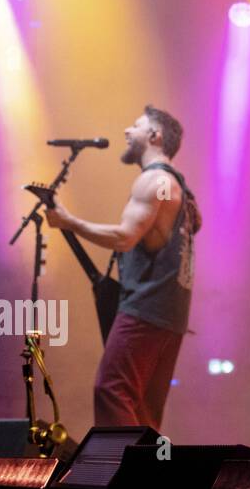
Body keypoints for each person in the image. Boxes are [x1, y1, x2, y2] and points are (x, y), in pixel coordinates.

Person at [45, 105, 200, 431]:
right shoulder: (180, 189)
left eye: (136, 126)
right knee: (143, 408)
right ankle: (147, 477)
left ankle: (119, 473)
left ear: (155, 136)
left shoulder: (154, 180)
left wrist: (68, 221)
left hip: (146, 308)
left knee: (112, 390)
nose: (127, 132)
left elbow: (125, 238)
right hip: (171, 315)